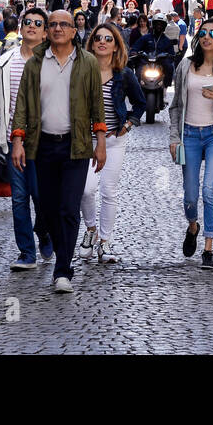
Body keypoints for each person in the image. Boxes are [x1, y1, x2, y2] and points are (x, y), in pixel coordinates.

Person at [11, 9, 107, 293]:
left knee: (68, 208)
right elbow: (23, 106)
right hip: (42, 146)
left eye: (63, 24)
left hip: (75, 146)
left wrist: (100, 142)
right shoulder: (35, 63)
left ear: (74, 30)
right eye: (52, 25)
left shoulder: (87, 63)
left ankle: (63, 269)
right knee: (48, 208)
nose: (57, 29)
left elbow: (95, 104)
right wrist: (17, 141)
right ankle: (52, 242)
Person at [168, 18, 213, 271]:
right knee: (189, 194)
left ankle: (208, 248)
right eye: (203, 32)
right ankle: (192, 226)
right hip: (188, 136)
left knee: (209, 190)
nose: (207, 36)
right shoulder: (185, 66)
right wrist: (174, 138)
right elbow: (175, 106)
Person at [0, 7, 54, 270]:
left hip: (44, 142)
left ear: (45, 31)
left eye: (38, 23)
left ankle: (44, 231)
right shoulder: (5, 62)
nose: (32, 26)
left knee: (41, 196)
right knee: (18, 199)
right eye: (28, 22)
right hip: (12, 141)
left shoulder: (52, 62)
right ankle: (26, 252)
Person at [79, 23, 146, 264]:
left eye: (108, 39)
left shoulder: (124, 74)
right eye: (98, 38)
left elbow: (140, 104)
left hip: (114, 140)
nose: (103, 42)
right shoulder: (82, 71)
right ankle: (90, 229)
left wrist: (126, 127)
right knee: (85, 189)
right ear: (92, 43)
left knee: (108, 192)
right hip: (86, 140)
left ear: (116, 45)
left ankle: (105, 243)